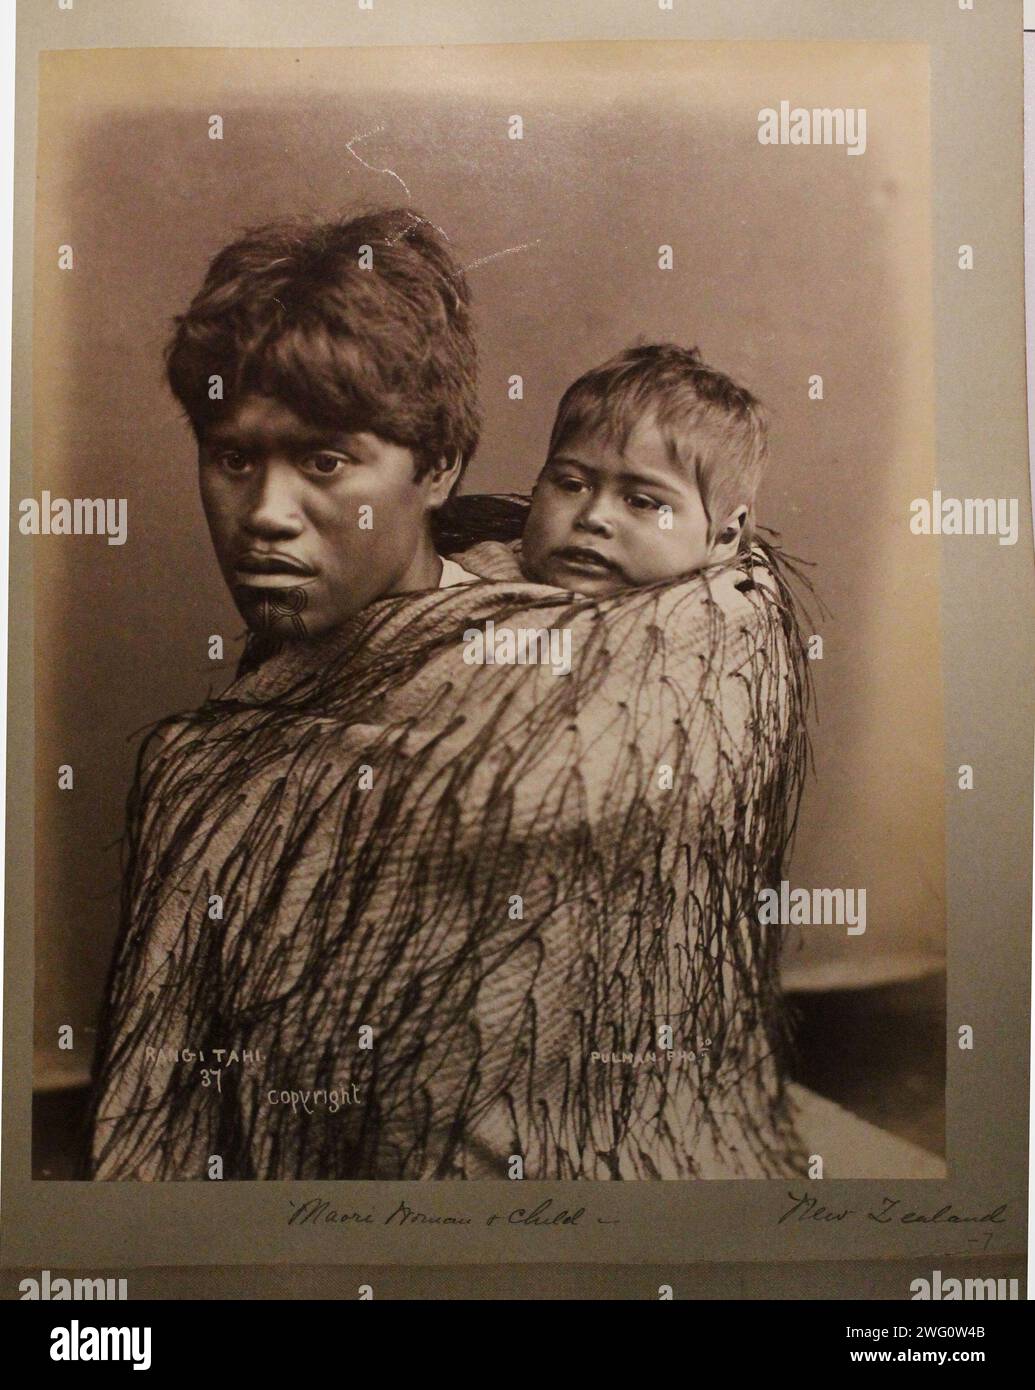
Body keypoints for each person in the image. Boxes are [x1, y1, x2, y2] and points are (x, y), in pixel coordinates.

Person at [84, 207, 814, 1182]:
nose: (265, 515)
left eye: (324, 461)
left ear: (435, 467)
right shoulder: (212, 755)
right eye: (232, 458)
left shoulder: (615, 664)